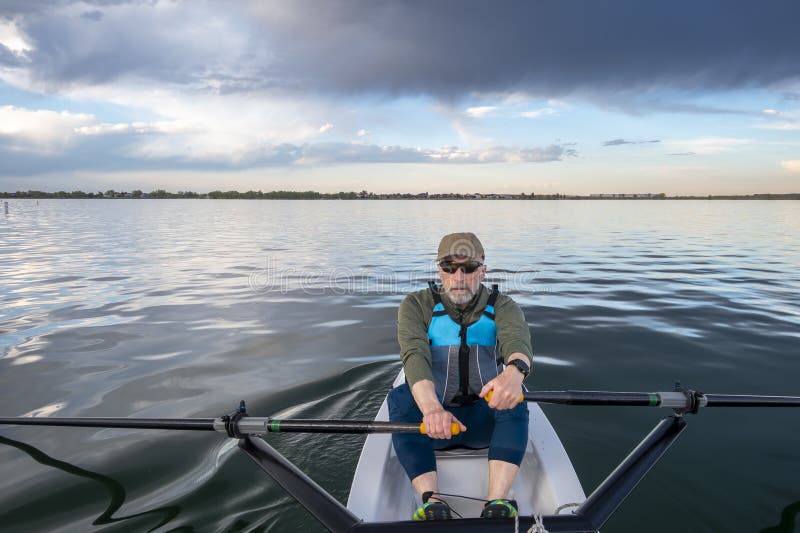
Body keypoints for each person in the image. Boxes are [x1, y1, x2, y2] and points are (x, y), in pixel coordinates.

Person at [389, 232, 533, 521]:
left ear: (482, 270)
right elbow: (414, 356)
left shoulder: (503, 306)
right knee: (401, 399)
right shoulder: (416, 305)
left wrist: (515, 372)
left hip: (484, 424)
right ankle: (432, 502)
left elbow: (518, 343)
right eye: (449, 267)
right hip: (432, 428)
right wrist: (431, 409)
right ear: (438, 270)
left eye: (468, 268)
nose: (459, 276)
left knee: (516, 397)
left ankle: (497, 504)